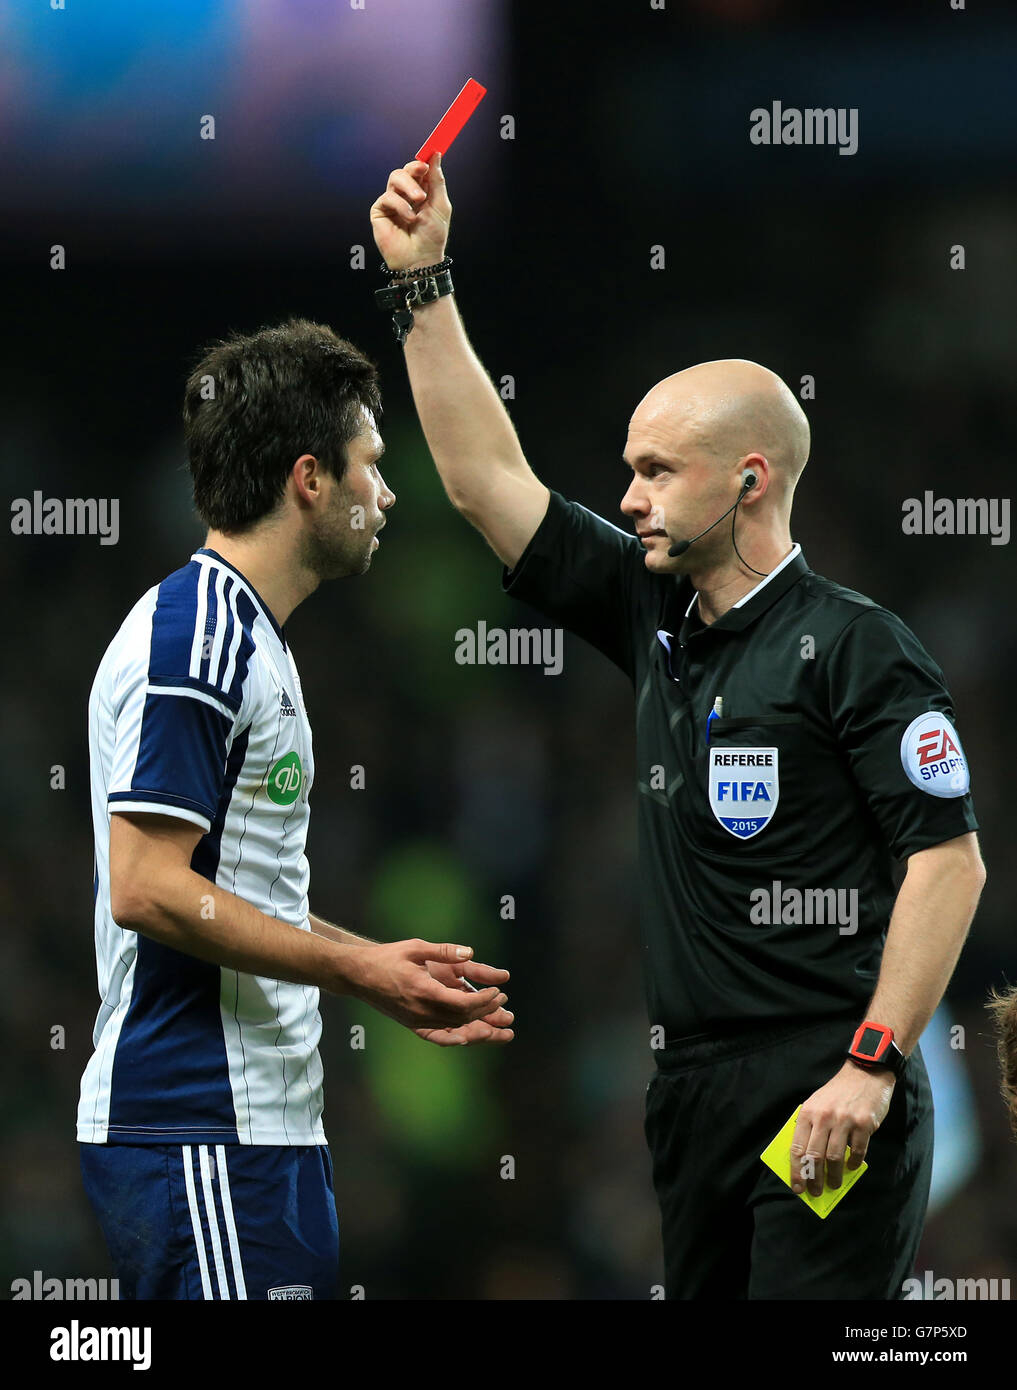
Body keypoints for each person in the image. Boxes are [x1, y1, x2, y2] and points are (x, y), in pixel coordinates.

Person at [369, 157, 987, 1299]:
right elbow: (481, 481)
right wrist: (422, 285)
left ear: (749, 480)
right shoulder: (651, 609)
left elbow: (947, 864)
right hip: (689, 1089)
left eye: (657, 471)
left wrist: (870, 1064)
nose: (633, 496)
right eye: (628, 471)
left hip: (824, 1071)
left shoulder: (858, 648)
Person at [77, 317, 513, 1301]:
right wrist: (358, 965)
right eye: (372, 465)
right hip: (197, 1123)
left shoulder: (249, 639)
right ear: (309, 477)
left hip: (259, 1132)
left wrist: (373, 968)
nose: (387, 493)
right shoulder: (198, 639)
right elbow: (147, 888)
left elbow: (224, 889)